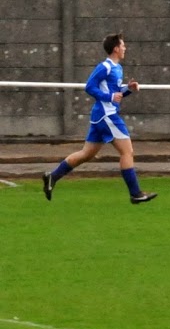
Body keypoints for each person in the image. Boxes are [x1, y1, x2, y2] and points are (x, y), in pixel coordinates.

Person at [42, 33, 156, 204]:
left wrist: (129, 89)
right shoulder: (105, 67)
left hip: (101, 116)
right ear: (116, 48)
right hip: (107, 116)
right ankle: (135, 194)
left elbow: (116, 94)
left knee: (86, 154)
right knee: (127, 152)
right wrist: (109, 98)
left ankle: (52, 177)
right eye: (123, 45)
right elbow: (90, 87)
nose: (125, 48)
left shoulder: (118, 68)